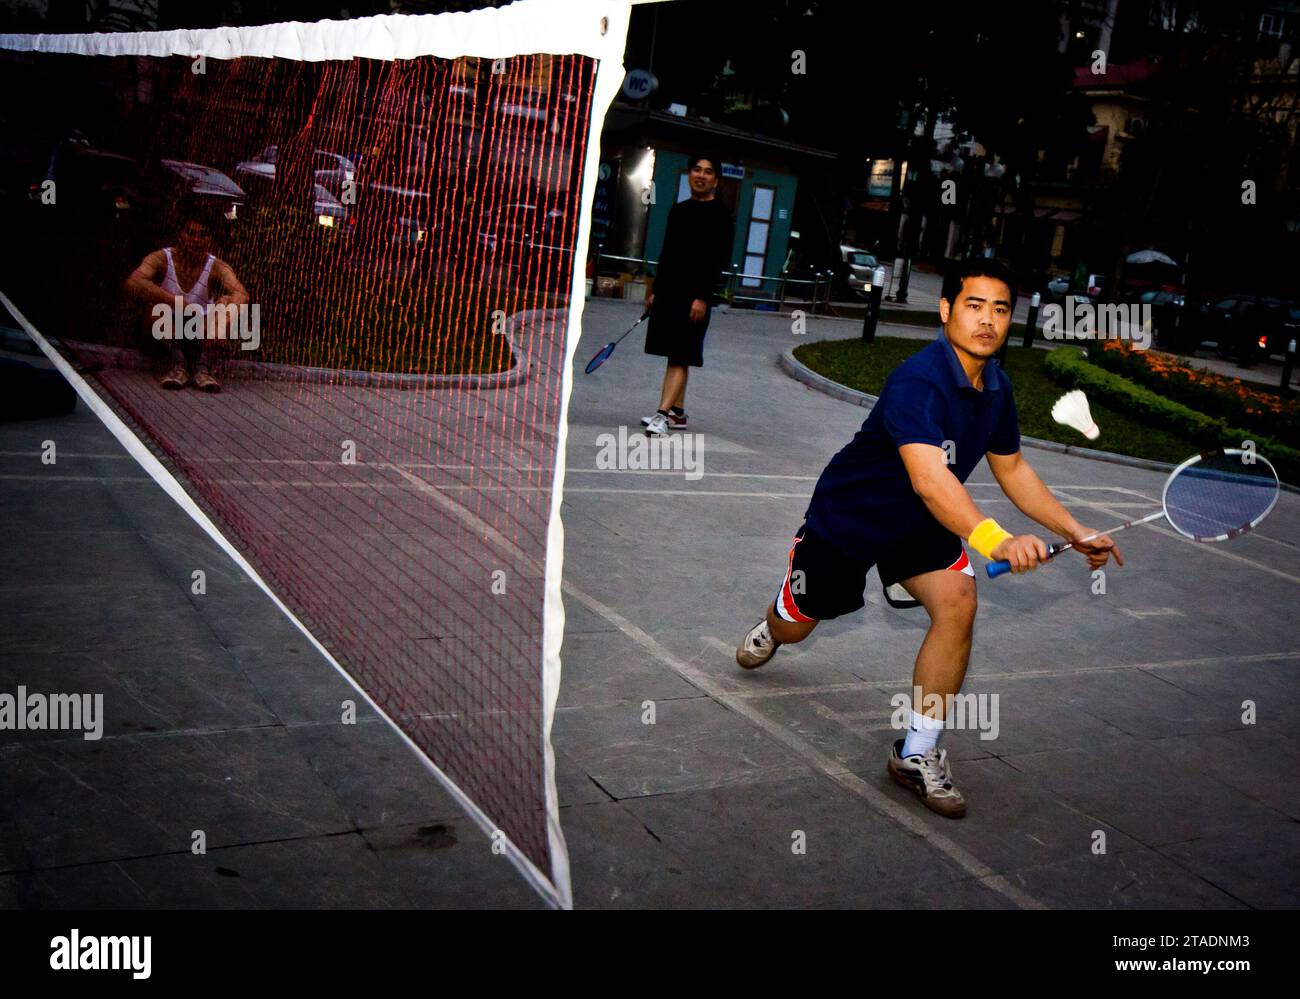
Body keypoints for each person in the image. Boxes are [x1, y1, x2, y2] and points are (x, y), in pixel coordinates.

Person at [734, 257, 1123, 818]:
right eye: (973, 306)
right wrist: (996, 541)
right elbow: (929, 477)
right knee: (795, 629)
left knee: (959, 603)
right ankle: (779, 612)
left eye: (999, 309)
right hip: (854, 515)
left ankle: (915, 753)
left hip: (922, 525)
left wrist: (1075, 530)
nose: (987, 320)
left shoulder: (997, 387)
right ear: (945, 311)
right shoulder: (918, 378)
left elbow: (1011, 469)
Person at [640, 153, 733, 437]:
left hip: (695, 299)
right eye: (697, 170)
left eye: (708, 171)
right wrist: (655, 290)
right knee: (675, 353)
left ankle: (662, 415)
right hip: (670, 293)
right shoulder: (678, 211)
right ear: (689, 174)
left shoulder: (721, 216)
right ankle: (678, 413)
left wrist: (703, 297)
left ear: (715, 180)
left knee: (681, 355)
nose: (701, 175)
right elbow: (667, 254)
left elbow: (718, 261)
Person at [125, 213, 248, 393]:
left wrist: (225, 317)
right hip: (166, 328)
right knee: (156, 305)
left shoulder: (216, 265)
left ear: (209, 240)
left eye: (202, 235)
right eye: (190, 233)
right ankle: (178, 365)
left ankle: (202, 369)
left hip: (200, 332)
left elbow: (241, 294)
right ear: (181, 234)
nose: (195, 239)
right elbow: (133, 282)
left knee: (227, 302)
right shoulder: (162, 257)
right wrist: (176, 302)